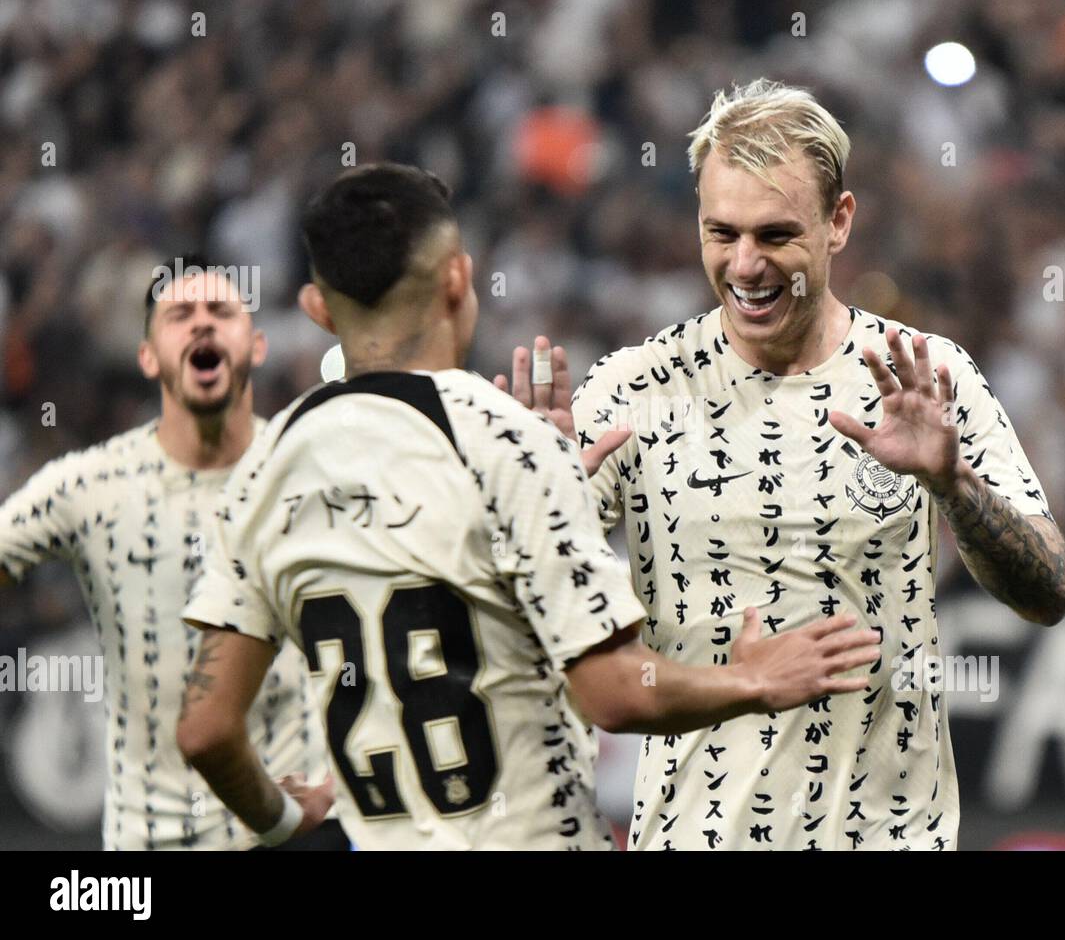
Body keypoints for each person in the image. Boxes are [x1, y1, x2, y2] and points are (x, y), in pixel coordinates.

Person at [176, 162, 880, 850]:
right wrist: (752, 677)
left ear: (317, 308)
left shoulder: (265, 466)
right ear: (458, 278)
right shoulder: (507, 438)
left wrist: (278, 819)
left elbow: (205, 730)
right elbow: (613, 693)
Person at [499, 78, 1065, 850]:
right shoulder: (634, 388)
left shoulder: (922, 374)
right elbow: (511, 608)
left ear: (838, 222)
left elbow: (1051, 592)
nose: (744, 265)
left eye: (774, 235)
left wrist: (954, 484)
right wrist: (534, 501)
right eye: (720, 232)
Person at [0, 257, 333, 850]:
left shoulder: (313, 474)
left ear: (256, 345)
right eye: (180, 315)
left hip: (298, 836)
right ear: (148, 355)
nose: (202, 327)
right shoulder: (89, 485)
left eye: (221, 312)